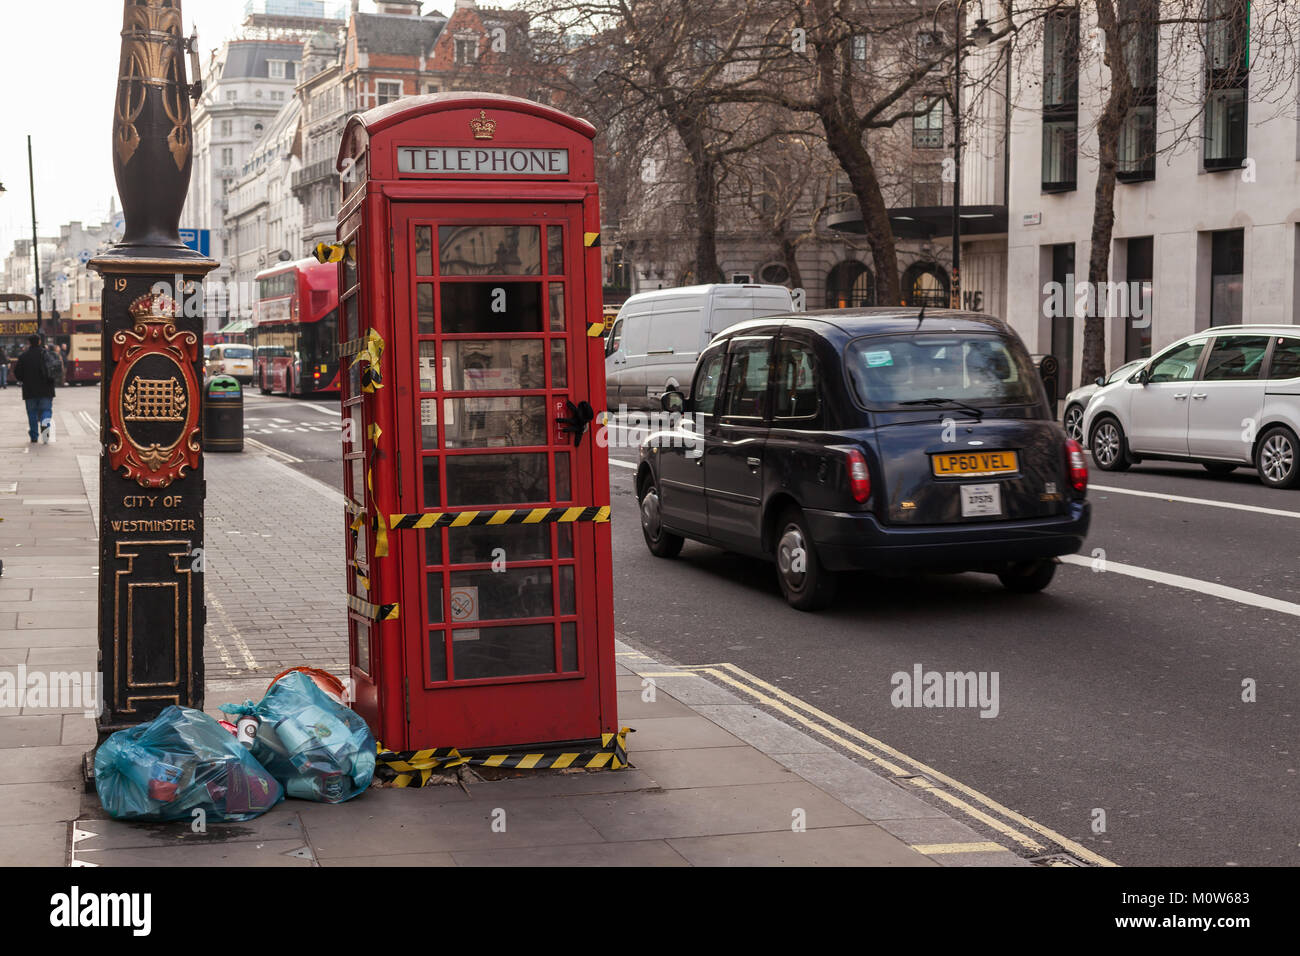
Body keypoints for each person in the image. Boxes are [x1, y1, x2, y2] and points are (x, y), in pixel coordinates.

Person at [13, 335, 56, 443]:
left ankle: (34, 436)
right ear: (40, 341)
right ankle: (45, 433)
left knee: (32, 413)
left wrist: (25, 378)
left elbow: (17, 374)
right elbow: (54, 369)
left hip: (29, 390)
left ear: (29, 342)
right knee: (46, 410)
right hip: (46, 389)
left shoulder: (23, 357)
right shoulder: (47, 355)